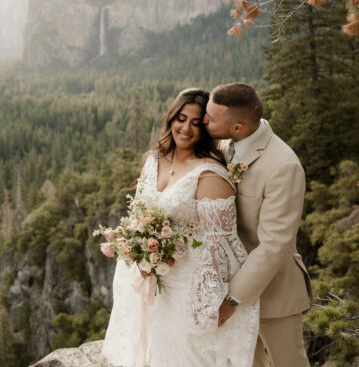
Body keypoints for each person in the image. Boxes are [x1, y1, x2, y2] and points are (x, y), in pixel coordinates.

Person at [102, 88, 259, 367]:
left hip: (189, 286)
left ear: (206, 128)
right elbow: (140, 213)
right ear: (171, 118)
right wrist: (132, 243)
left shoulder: (209, 173)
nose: (185, 128)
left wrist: (211, 302)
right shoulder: (154, 161)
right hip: (150, 279)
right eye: (181, 118)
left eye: (196, 122)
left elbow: (219, 245)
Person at [204, 82, 312, 367]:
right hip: (227, 285)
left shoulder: (283, 165)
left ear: (237, 127)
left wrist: (232, 298)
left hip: (274, 293)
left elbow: (275, 245)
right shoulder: (226, 144)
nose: (204, 121)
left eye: (211, 119)